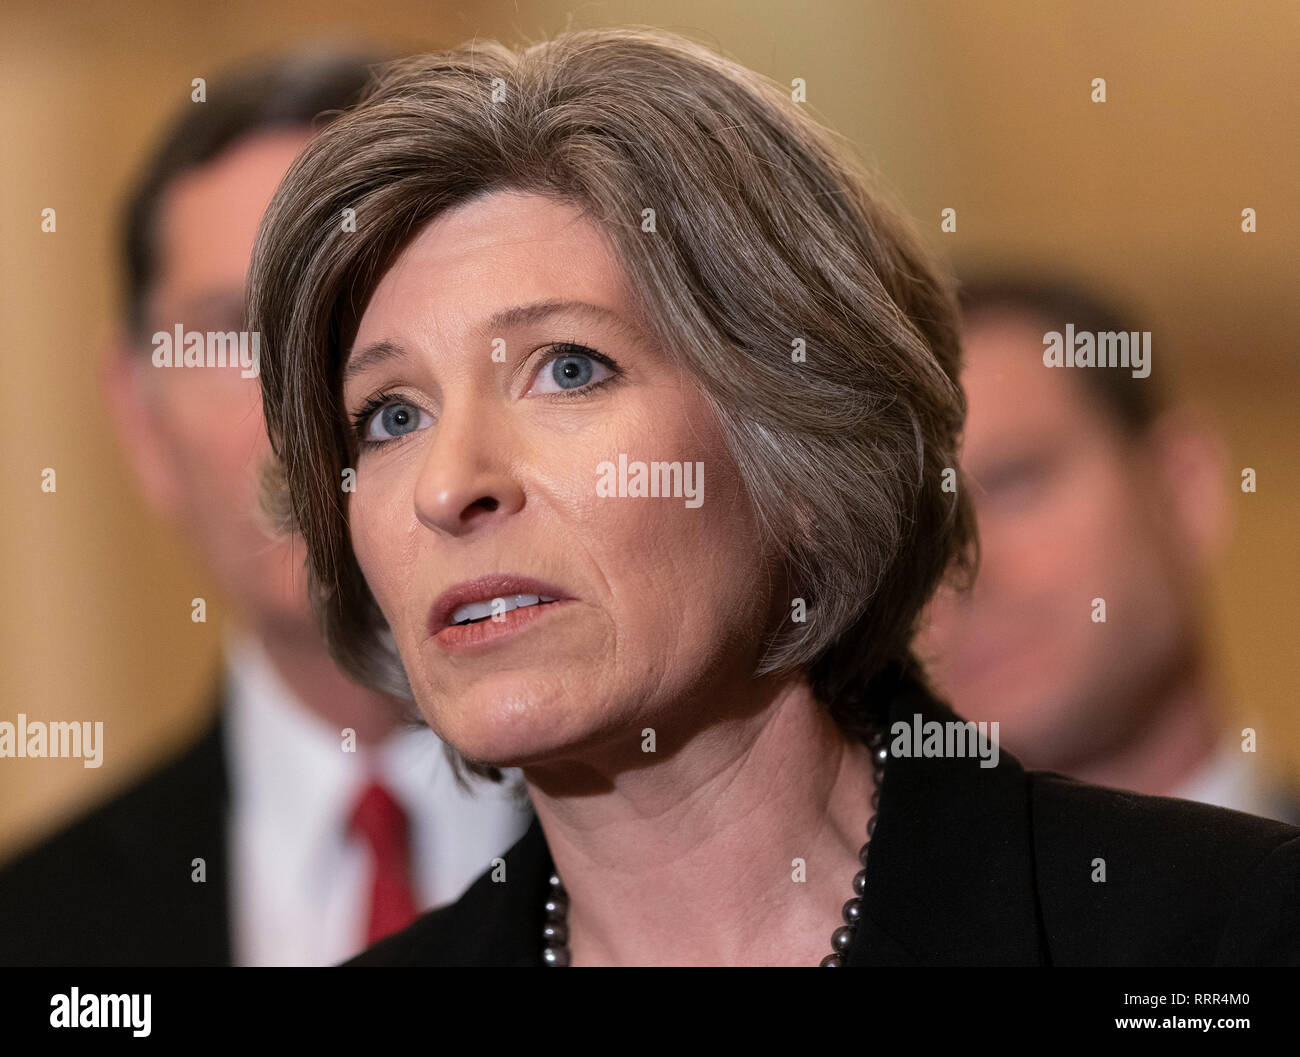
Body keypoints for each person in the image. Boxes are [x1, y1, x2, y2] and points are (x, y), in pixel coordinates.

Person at [245, 27, 1300, 966]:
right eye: (388, 415)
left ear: (801, 444)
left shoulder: (1223, 929)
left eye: (568, 368)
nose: (448, 484)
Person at [0, 48, 531, 968]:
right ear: (141, 419)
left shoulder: (692, 857)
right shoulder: (33, 930)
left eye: (354, 314)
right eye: (237, 334)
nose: (305, 410)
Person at [916, 278, 1300, 826]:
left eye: (1013, 482)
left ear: (1184, 489)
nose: (962, 571)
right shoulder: (862, 908)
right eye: (913, 535)